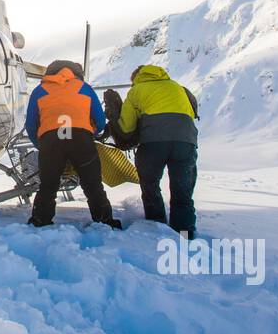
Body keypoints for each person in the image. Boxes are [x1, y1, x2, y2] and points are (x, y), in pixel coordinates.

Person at [24, 60, 122, 229]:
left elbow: (31, 124)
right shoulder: (84, 88)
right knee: (92, 183)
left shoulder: (40, 90)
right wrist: (91, 133)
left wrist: (41, 144)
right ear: (76, 73)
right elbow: (99, 119)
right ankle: (105, 221)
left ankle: (41, 220)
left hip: (51, 139)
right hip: (80, 138)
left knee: (48, 185)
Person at [116, 64, 200, 238]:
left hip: (153, 144)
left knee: (150, 185)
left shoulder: (137, 90)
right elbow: (192, 113)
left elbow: (126, 127)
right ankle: (185, 233)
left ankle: (156, 226)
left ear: (136, 78)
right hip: (186, 142)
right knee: (182, 189)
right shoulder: (178, 87)